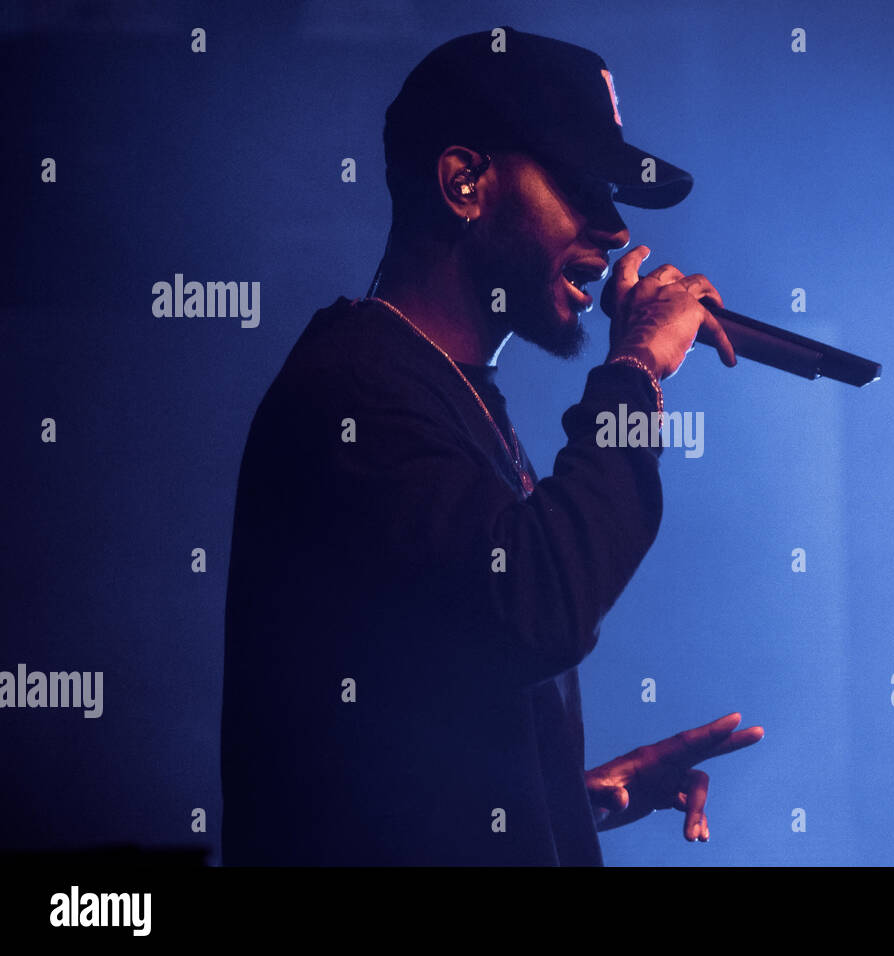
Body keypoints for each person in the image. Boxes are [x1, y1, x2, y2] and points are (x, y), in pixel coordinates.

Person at [220, 26, 762, 866]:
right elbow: (539, 602)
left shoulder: (442, 392)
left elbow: (423, 695)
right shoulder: (357, 393)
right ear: (464, 183)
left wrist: (556, 802)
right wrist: (636, 367)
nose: (615, 232)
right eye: (583, 186)